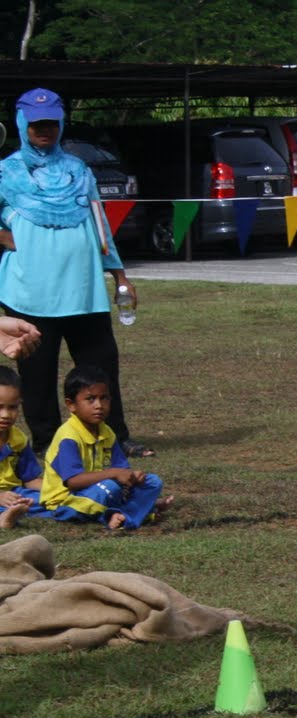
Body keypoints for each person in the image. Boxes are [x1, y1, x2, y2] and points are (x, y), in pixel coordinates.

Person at [0, 88, 151, 457]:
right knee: (36, 373)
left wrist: (120, 276)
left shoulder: (78, 170)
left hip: (83, 290)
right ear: (22, 124)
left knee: (102, 367)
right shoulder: (6, 172)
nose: (44, 130)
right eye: (36, 124)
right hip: (29, 292)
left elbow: (99, 225)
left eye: (51, 122)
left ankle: (113, 435)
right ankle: (47, 441)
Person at [40, 365, 170, 531]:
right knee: (109, 487)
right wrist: (115, 474)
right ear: (71, 404)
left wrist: (133, 477)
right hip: (66, 502)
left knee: (152, 482)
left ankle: (123, 515)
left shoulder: (107, 433)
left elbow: (121, 471)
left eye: (104, 398)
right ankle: (136, 513)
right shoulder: (68, 437)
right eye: (90, 399)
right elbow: (73, 481)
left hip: (98, 491)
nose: (99, 405)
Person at [0, 364, 45, 528]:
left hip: (15, 494)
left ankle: (13, 512)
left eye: (12, 408)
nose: (5, 415)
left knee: (47, 500)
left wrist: (53, 489)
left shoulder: (18, 440)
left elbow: (30, 478)